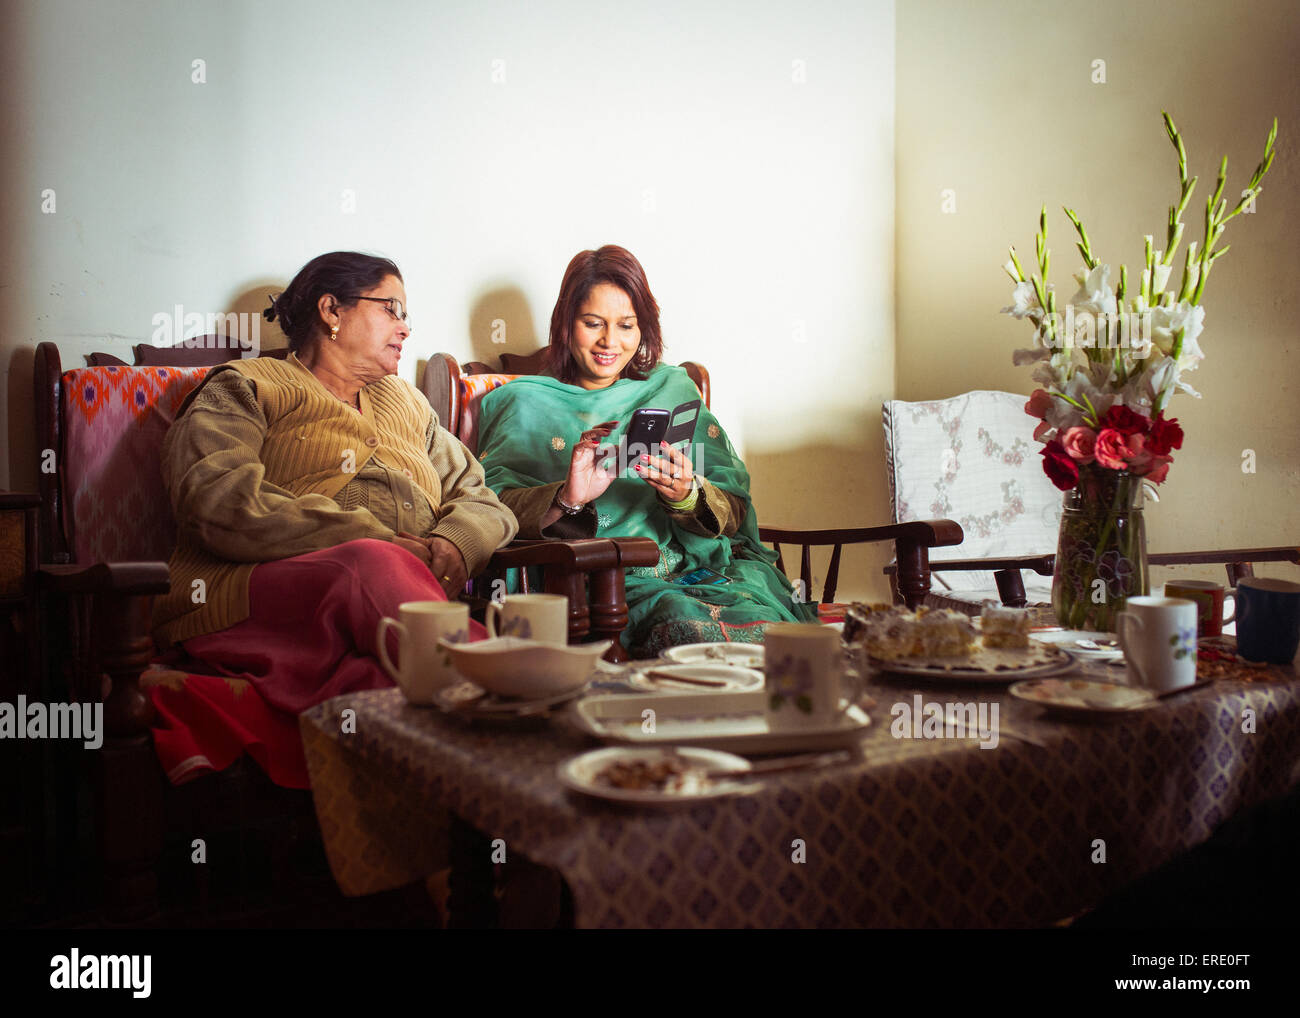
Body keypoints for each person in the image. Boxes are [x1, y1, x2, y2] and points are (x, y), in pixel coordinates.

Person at [149, 251, 517, 783]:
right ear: (331, 311)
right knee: (366, 565)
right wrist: (374, 538)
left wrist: (456, 543)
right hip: (248, 594)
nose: (406, 328)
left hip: (389, 612)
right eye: (393, 309)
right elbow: (215, 498)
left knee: (383, 687)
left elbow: (482, 496)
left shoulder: (409, 405)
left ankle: (443, 854)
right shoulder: (247, 385)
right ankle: (511, 692)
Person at [475, 245, 816, 658]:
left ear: (644, 329)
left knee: (782, 645)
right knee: (685, 629)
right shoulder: (522, 402)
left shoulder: (672, 388)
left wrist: (686, 494)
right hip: (600, 580)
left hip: (706, 571)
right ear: (566, 323)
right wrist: (569, 499)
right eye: (592, 323)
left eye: (626, 326)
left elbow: (735, 505)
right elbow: (490, 510)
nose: (609, 342)